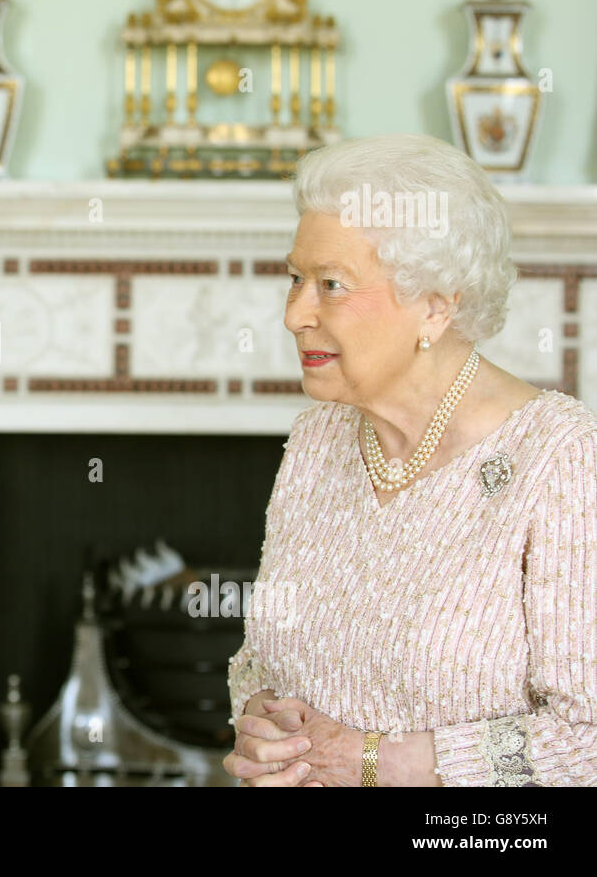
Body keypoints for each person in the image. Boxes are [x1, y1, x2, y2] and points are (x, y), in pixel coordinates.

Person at [223, 134, 597, 786]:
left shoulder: (558, 455)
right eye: (295, 278)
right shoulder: (317, 442)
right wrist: (258, 720)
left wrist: (377, 761)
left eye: (330, 285)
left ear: (435, 304)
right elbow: (259, 662)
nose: (293, 314)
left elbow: (585, 739)